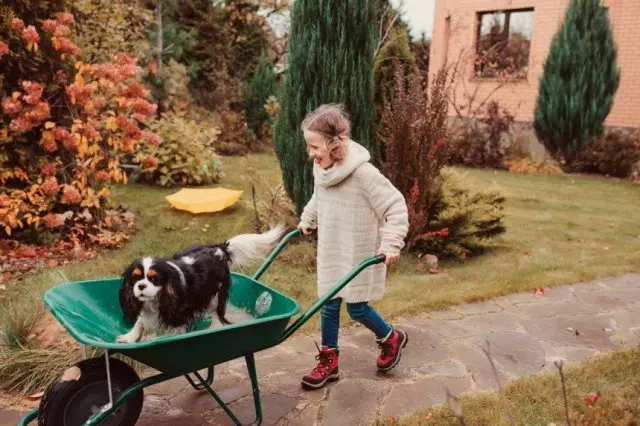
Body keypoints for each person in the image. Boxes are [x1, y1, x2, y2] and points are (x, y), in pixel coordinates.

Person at [297, 103, 410, 390]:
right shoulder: (321, 171)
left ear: (333, 143)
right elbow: (318, 197)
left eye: (314, 146)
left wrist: (391, 243)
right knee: (328, 305)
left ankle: (390, 338)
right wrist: (309, 217)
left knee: (357, 309)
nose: (310, 153)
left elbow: (395, 206)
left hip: (358, 251)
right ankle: (329, 362)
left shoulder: (363, 174)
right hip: (332, 248)